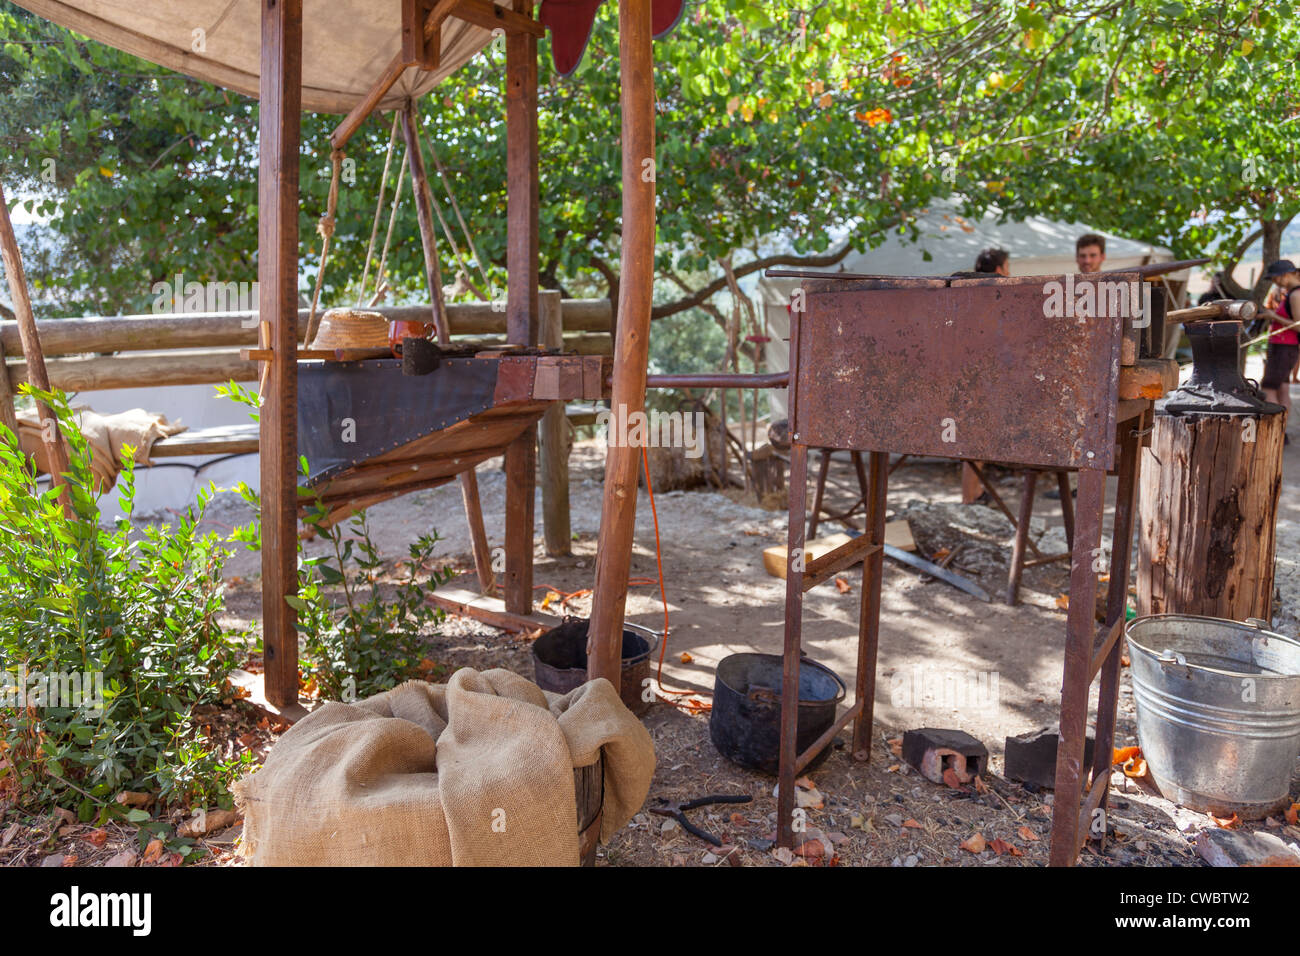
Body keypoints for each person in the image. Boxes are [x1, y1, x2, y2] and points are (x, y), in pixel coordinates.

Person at [1259, 259, 1299, 433]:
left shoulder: (1296, 294)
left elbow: (1297, 325)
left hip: (1285, 348)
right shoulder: (1290, 293)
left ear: (1285, 275)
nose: (1275, 282)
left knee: (1268, 387)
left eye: (1275, 278)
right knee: (1282, 389)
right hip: (1284, 348)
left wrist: (1272, 316)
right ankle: (1281, 432)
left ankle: (1273, 431)